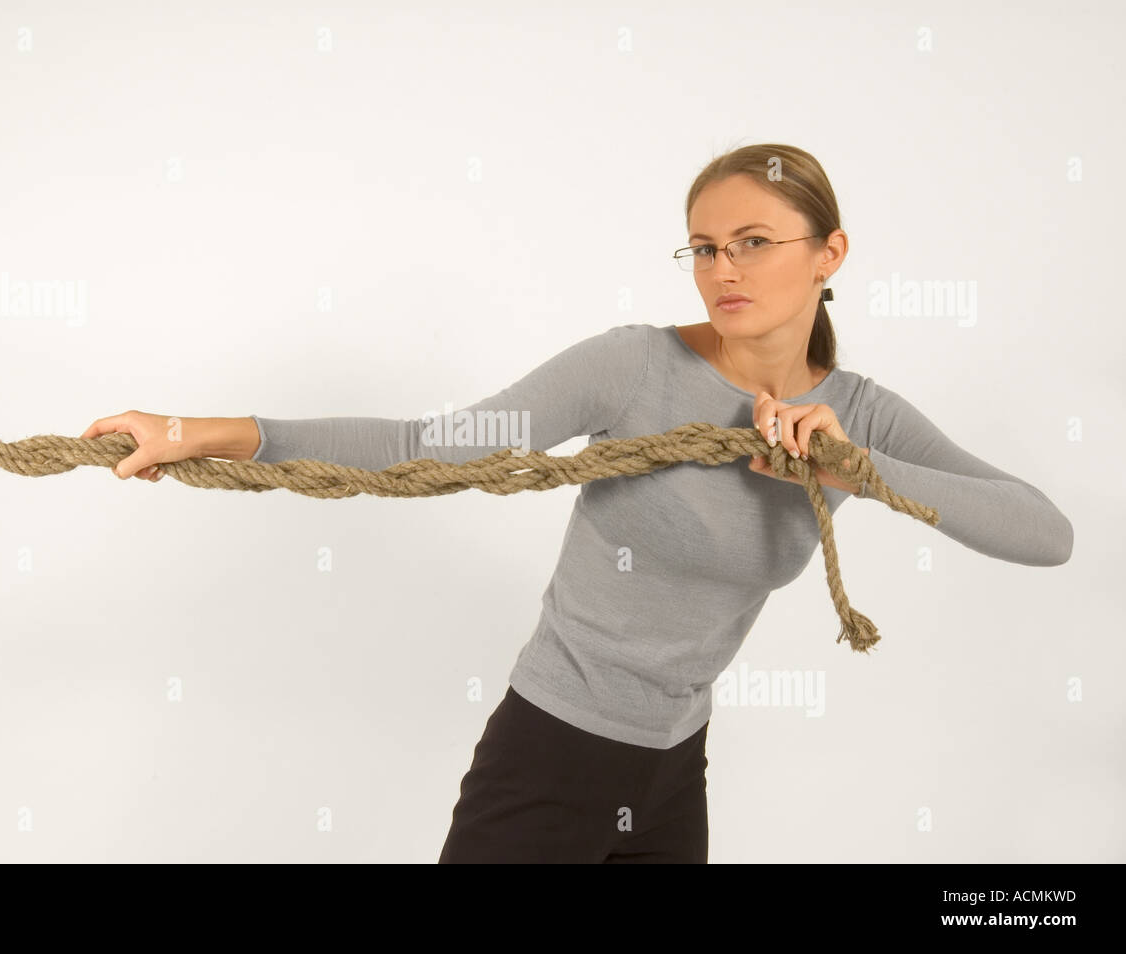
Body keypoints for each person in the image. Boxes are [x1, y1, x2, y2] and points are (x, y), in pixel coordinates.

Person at [80, 143, 1074, 863]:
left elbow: (1043, 533)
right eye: (703, 247)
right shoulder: (632, 367)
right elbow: (433, 451)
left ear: (830, 253)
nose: (724, 269)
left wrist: (859, 472)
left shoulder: (857, 416)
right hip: (548, 755)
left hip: (674, 771)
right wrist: (210, 433)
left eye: (755, 242)